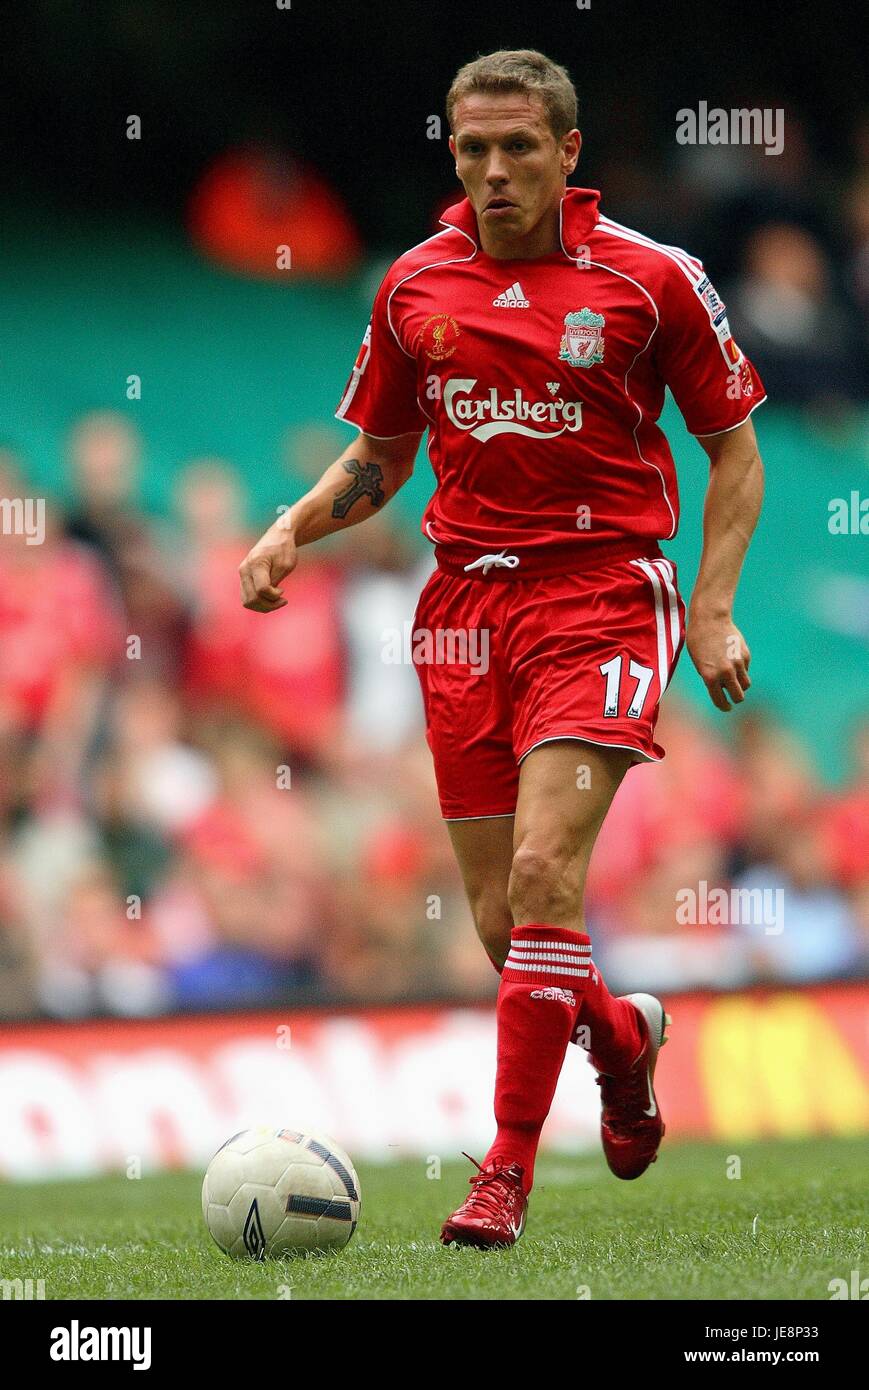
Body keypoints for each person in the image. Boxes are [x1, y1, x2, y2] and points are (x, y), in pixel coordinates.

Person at [238, 49, 766, 1247]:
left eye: (515, 147)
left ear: (566, 152)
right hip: (464, 613)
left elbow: (734, 449)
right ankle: (621, 1041)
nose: (490, 171)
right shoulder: (414, 284)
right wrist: (290, 527)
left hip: (603, 597)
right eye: (469, 150)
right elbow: (380, 456)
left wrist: (718, 607)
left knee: (542, 876)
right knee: (504, 926)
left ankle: (505, 1173)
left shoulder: (651, 281)